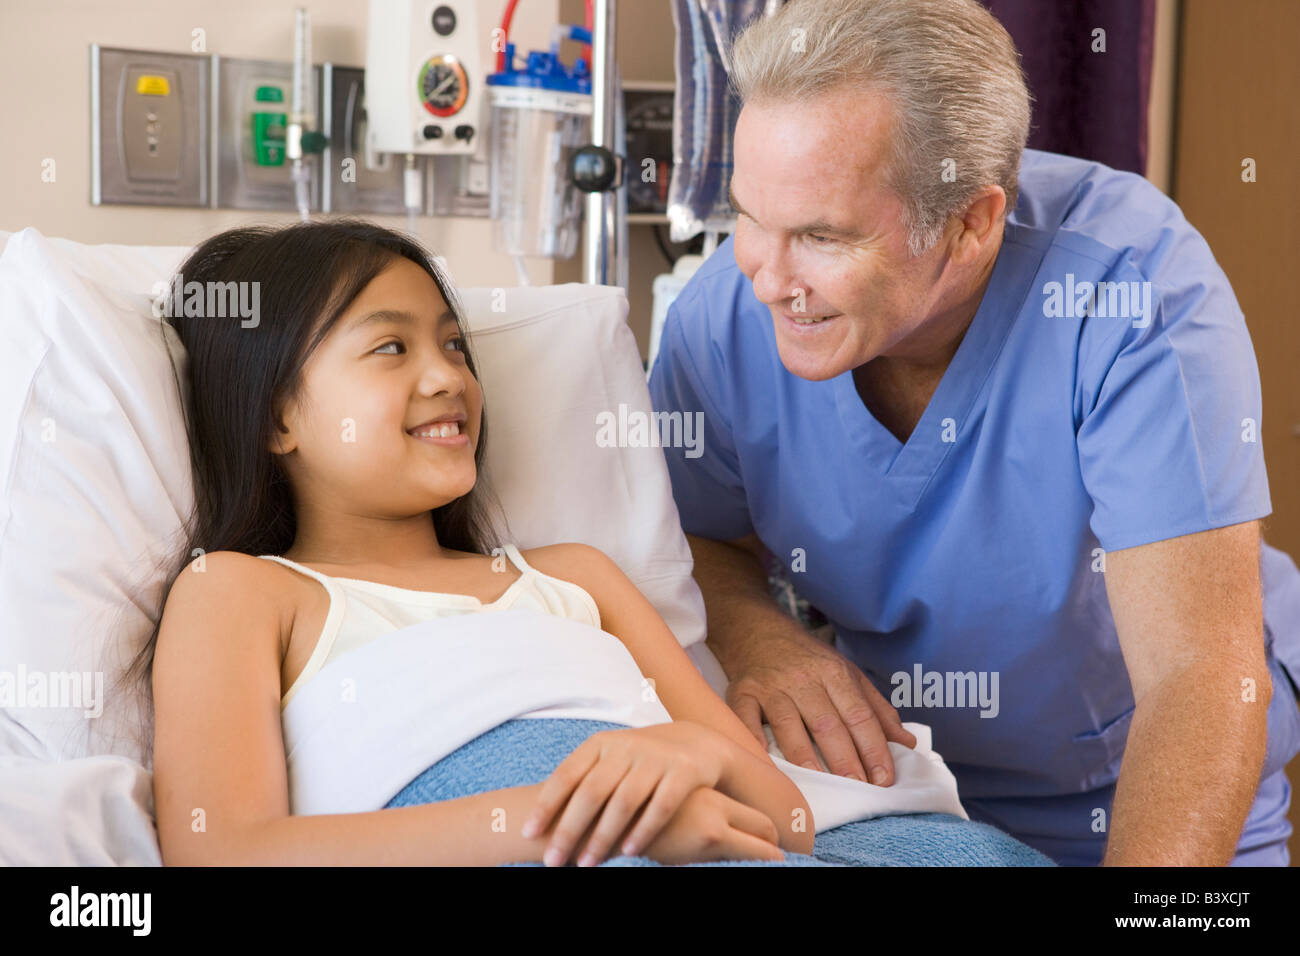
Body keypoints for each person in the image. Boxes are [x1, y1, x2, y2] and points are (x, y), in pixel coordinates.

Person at [136, 219, 1048, 866]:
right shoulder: (243, 592)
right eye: (390, 350)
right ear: (276, 419)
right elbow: (224, 852)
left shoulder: (574, 580)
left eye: (455, 347)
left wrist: (688, 758)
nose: (447, 377)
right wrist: (577, 819)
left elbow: (790, 817)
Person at [648, 0, 1300, 866]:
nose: (767, 278)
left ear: (971, 224)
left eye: (821, 235)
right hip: (907, 797)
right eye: (751, 217)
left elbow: (1200, 682)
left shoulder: (1129, 296)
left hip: (1155, 792)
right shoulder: (720, 325)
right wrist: (755, 629)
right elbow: (692, 533)